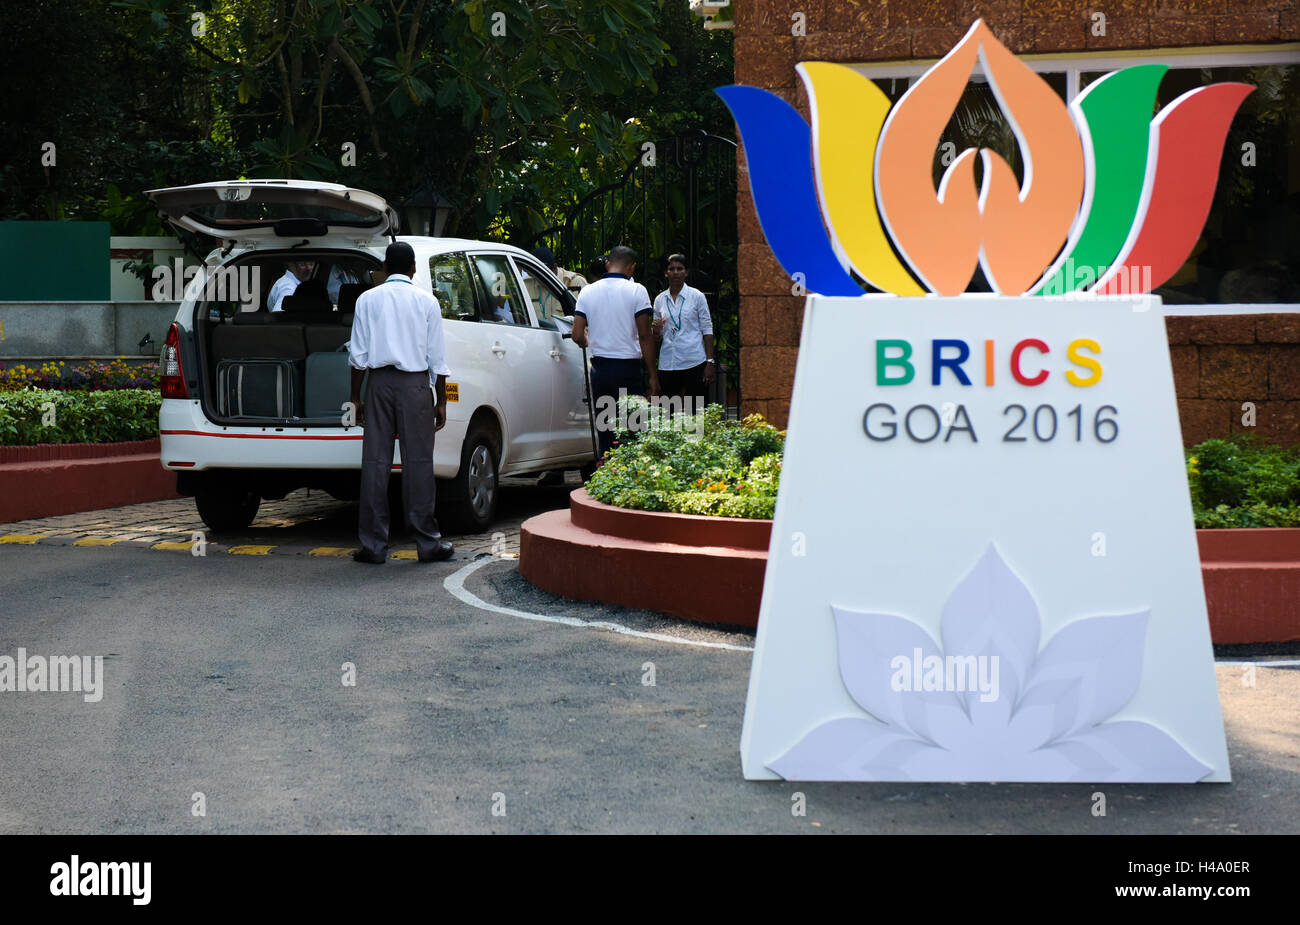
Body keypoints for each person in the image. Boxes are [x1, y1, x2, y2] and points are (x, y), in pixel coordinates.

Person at [347, 241, 453, 564]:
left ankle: (374, 545)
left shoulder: (367, 300)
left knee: (375, 464)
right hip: (416, 386)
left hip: (378, 384)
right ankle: (427, 543)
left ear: (383, 268)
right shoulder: (427, 302)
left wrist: (355, 396)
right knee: (419, 464)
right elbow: (438, 358)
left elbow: (358, 356)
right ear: (413, 269)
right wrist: (441, 399)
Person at [570, 245, 659, 460]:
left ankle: (606, 473)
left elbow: (576, 334)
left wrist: (587, 341)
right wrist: (653, 376)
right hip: (628, 370)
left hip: (600, 369)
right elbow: (645, 336)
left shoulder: (588, 291)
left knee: (606, 429)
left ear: (608, 264)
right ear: (632, 267)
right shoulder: (637, 290)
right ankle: (632, 476)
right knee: (634, 428)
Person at [652, 253, 715, 405]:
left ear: (686, 272)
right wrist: (656, 330)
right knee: (669, 413)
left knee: (696, 413)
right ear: (666, 272)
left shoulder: (696, 296)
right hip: (668, 362)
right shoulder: (660, 299)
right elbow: (657, 337)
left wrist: (710, 361)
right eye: (671, 269)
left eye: (679, 269)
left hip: (694, 360)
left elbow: (707, 329)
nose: (675, 272)